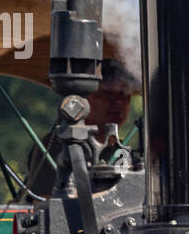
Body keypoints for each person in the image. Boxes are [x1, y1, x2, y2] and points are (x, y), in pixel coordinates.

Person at [24, 59, 140, 198]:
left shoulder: (124, 153)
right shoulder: (57, 146)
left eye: (123, 94)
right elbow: (46, 204)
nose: (118, 102)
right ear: (82, 99)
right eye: (106, 93)